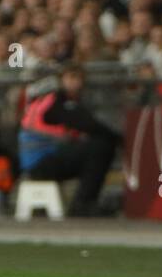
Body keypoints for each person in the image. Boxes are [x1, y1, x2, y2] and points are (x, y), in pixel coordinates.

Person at [18, 65, 121, 216]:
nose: (76, 83)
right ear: (61, 79)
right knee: (100, 147)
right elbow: (87, 124)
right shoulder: (55, 101)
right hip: (40, 162)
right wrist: (120, 139)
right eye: (71, 77)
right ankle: (83, 203)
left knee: (98, 145)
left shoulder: (62, 101)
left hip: (45, 158)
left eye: (79, 78)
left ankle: (84, 201)